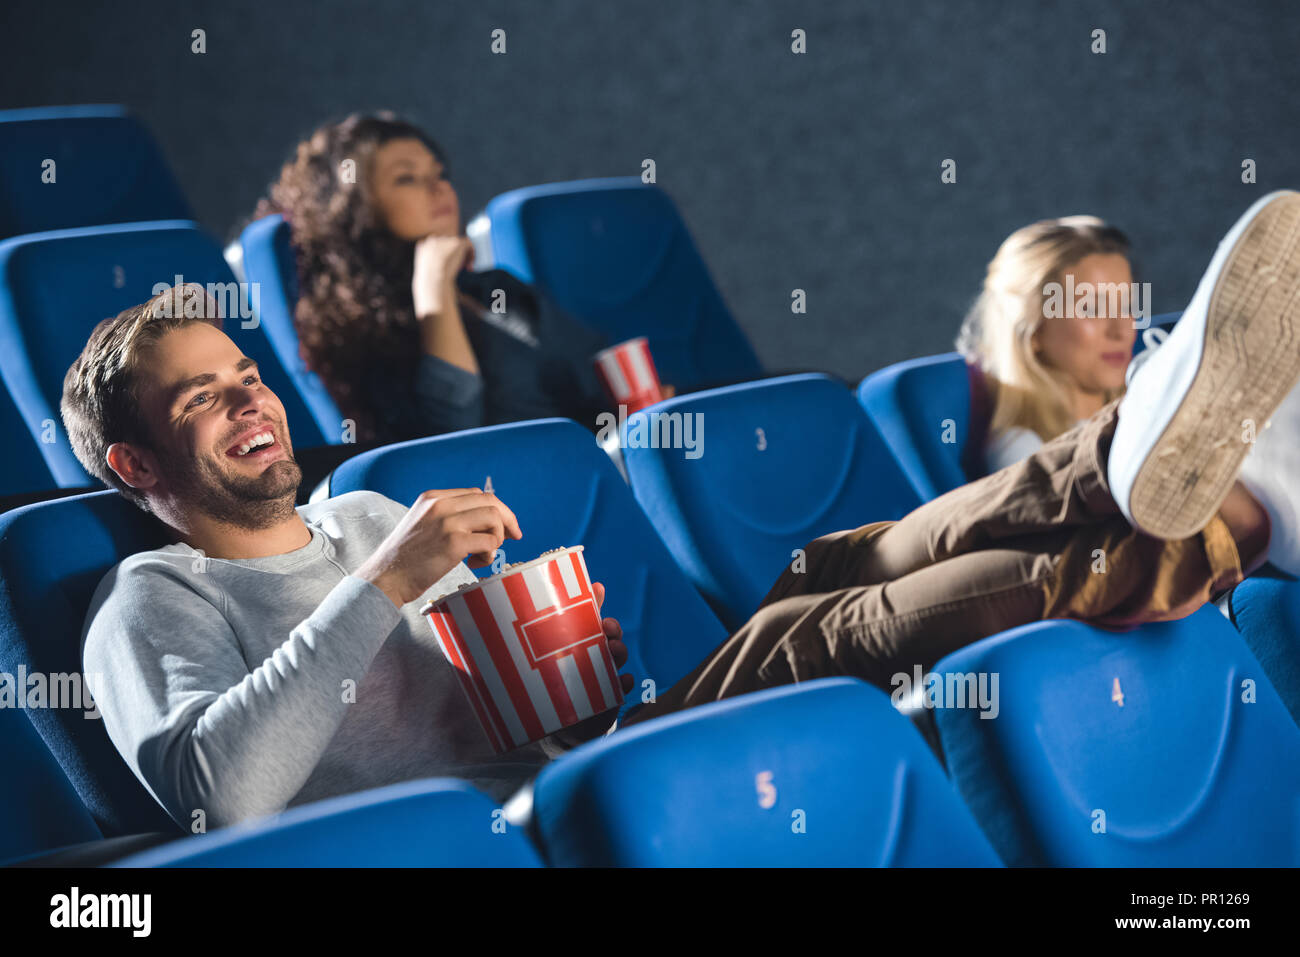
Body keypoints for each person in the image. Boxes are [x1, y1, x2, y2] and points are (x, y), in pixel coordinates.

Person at [66, 190, 1299, 833]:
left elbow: (498, 684)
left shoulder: (360, 509)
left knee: (837, 563)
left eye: (247, 378)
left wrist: (562, 652)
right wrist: (380, 585)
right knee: (826, 636)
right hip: (517, 823)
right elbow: (217, 796)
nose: (250, 404)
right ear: (133, 465)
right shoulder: (152, 601)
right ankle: (1232, 523)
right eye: (199, 404)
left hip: (587, 747)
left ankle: (1130, 449)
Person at [254, 112, 634, 445]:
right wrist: (433, 292)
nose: (439, 187)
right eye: (407, 179)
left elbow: (596, 371)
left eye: (439, 173)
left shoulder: (496, 288)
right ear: (352, 208)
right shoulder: (361, 335)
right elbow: (454, 443)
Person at [956, 216, 1137, 474]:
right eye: (1092, 308)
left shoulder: (1147, 417)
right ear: (1033, 329)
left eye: (1127, 306)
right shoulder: (1023, 453)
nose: (1122, 330)